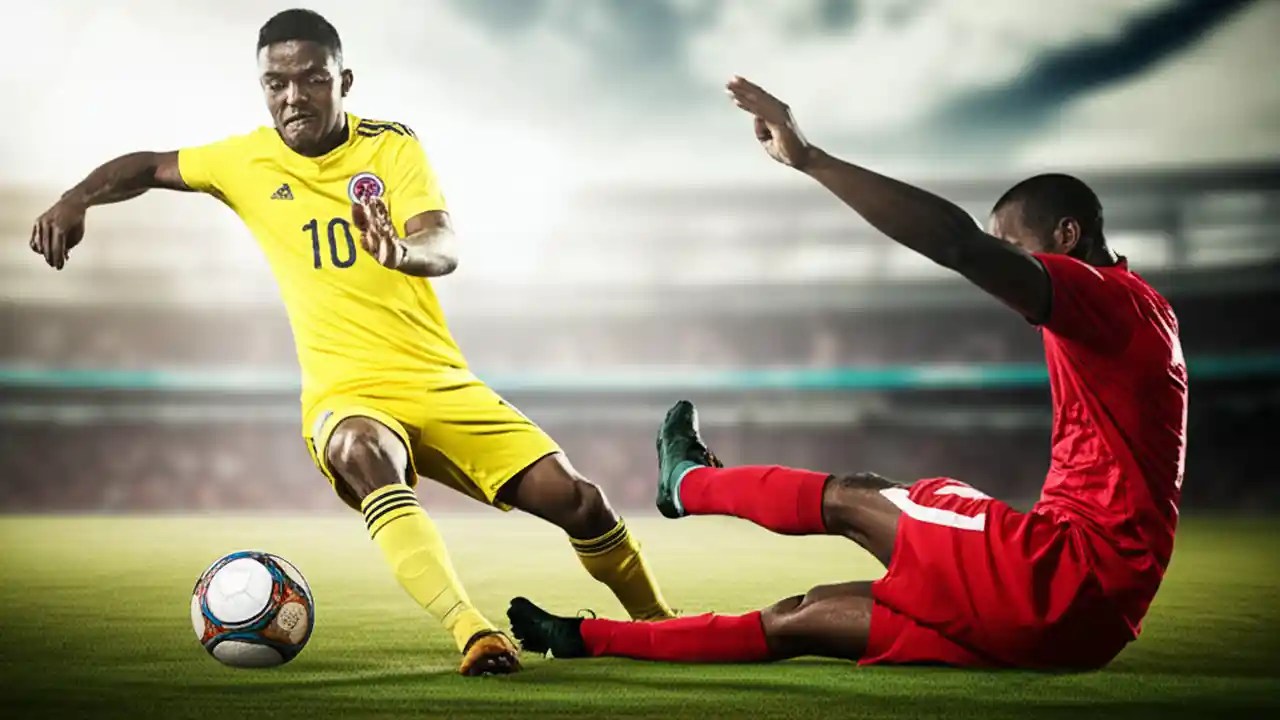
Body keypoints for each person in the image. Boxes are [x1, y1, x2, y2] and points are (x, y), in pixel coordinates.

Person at [28, 9, 676, 676]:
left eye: (312, 79)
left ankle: (660, 623)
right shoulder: (243, 160)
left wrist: (401, 251)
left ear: (344, 81)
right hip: (346, 394)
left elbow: (443, 242)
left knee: (581, 502)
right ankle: (473, 631)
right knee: (361, 450)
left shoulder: (392, 148)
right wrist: (76, 198)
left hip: (439, 381)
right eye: (275, 83)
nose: (292, 97)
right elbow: (147, 166)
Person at [508, 76, 1188, 670]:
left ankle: (686, 482)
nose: (1005, 265)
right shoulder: (1141, 317)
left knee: (856, 497)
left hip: (1064, 577)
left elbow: (958, 245)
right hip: (1086, 630)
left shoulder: (1108, 300)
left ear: (1067, 236)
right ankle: (581, 638)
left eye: (1013, 247)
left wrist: (810, 158)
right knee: (804, 617)